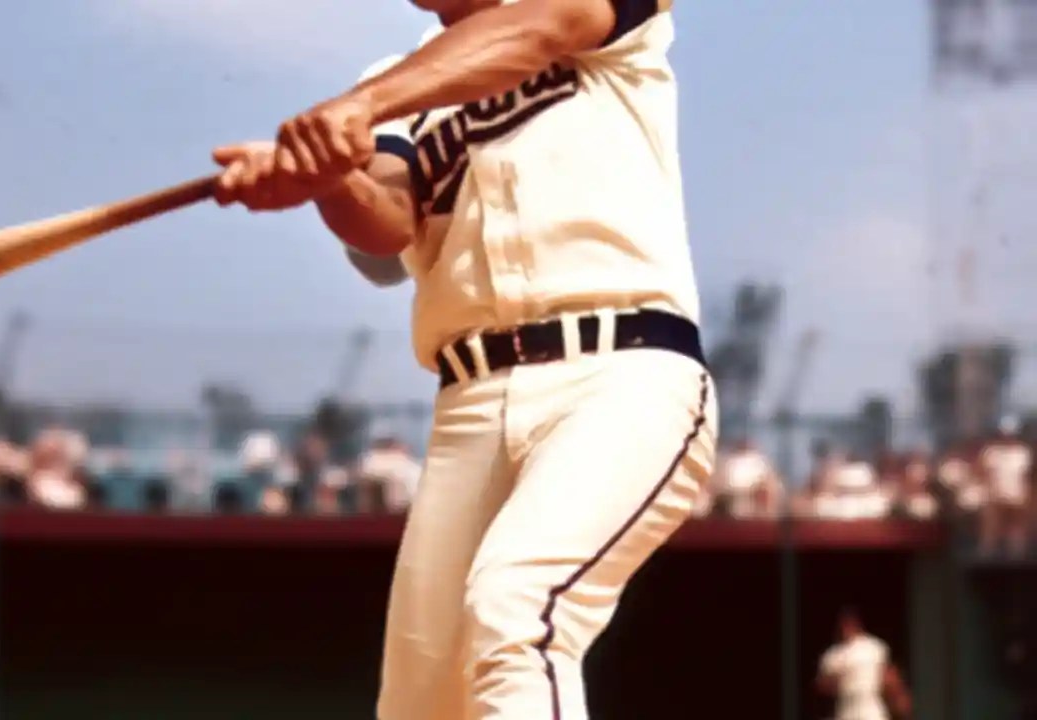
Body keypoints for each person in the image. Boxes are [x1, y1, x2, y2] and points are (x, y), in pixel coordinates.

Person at [213, 1, 715, 717]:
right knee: (421, 703)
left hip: (618, 373)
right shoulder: (396, 80)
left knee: (518, 606)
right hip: (470, 404)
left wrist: (355, 110)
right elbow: (388, 225)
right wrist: (324, 175)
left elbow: (548, 27)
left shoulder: (416, 77)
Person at [816, 607, 912, 720]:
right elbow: (821, 684)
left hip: (870, 705)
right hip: (846, 707)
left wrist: (898, 696)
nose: (846, 628)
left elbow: (889, 676)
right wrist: (835, 680)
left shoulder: (874, 647)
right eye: (844, 624)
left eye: (849, 623)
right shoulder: (833, 654)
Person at [978, 416, 1032, 558]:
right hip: (996, 497)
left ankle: (1017, 556)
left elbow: (1025, 477)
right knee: (991, 528)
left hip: (1017, 497)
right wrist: (990, 495)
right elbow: (985, 475)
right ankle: (987, 556)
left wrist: (1026, 496)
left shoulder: (1023, 452)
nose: (1008, 437)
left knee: (1017, 528)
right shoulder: (992, 452)